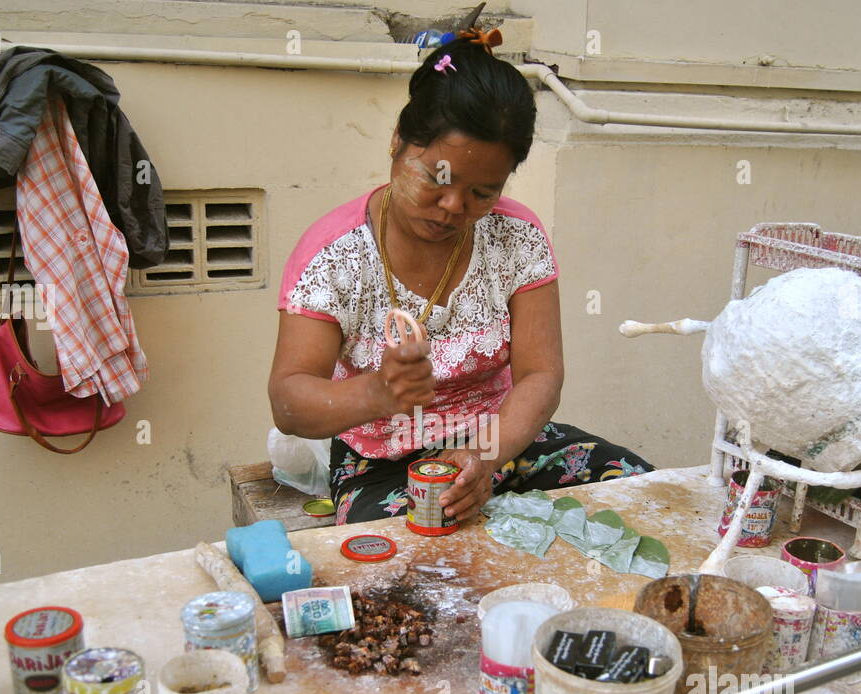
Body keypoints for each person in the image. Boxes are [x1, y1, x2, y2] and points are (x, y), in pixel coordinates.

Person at [269, 29, 653, 526]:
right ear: (397, 143)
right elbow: (288, 402)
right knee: (423, 554)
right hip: (382, 462)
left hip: (505, 439)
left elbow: (541, 374)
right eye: (436, 178)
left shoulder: (517, 238)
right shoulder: (333, 257)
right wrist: (378, 394)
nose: (453, 207)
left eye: (482, 193)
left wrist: (485, 456)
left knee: (637, 492)